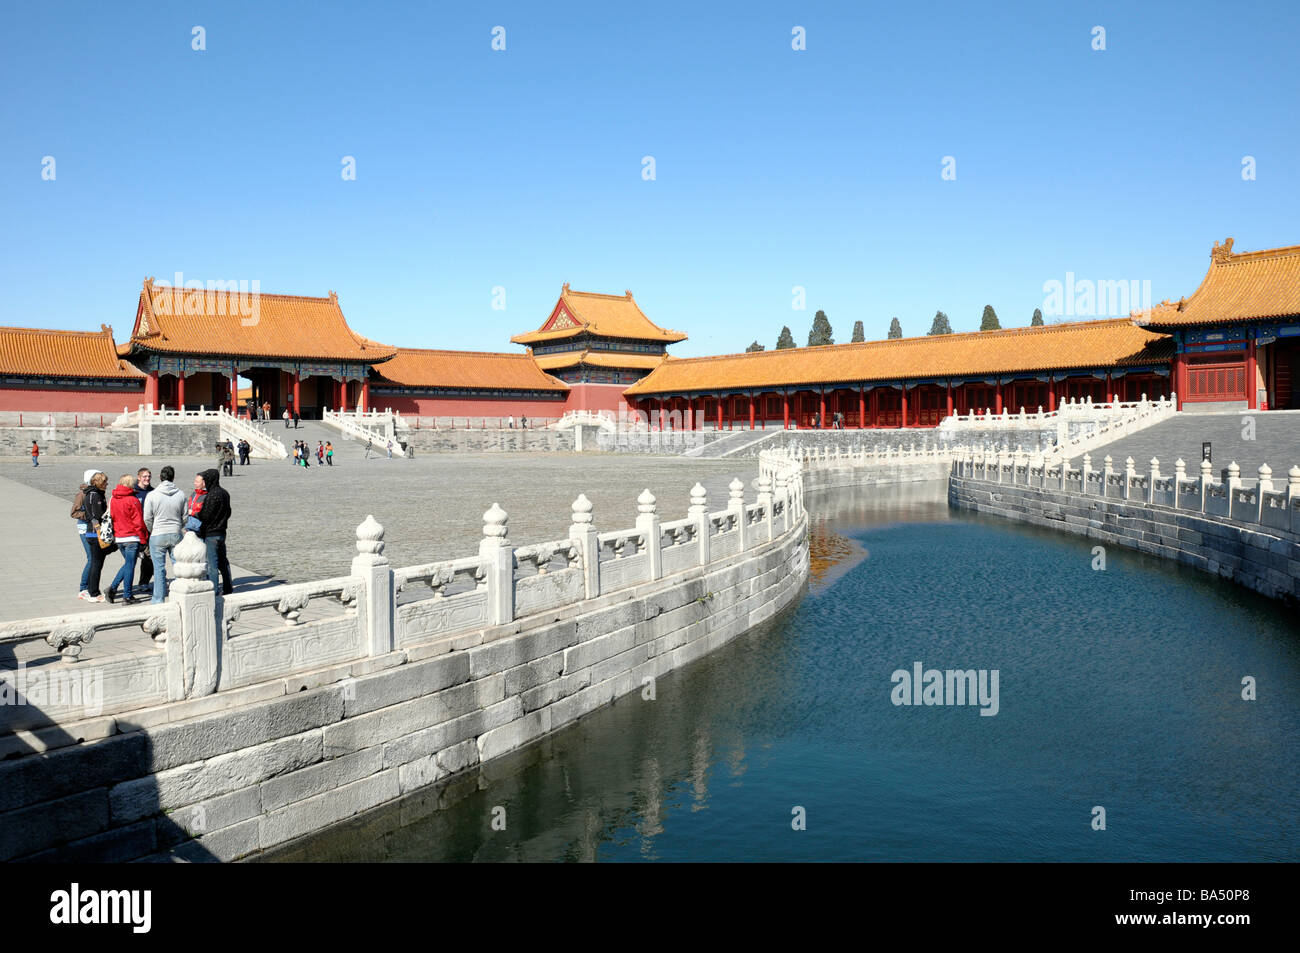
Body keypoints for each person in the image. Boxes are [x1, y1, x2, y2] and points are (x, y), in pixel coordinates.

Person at [144, 465, 187, 604]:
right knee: (178, 567)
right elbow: (185, 516)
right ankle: (179, 596)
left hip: (158, 533)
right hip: (175, 532)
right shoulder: (181, 494)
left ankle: (158, 599)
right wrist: (179, 526)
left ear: (160, 477)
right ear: (173, 477)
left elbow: (147, 518)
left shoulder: (152, 495)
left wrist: (152, 529)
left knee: (159, 569)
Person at [106, 474, 148, 604]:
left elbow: (112, 517)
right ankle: (127, 595)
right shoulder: (132, 500)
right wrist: (143, 539)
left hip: (119, 537)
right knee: (130, 566)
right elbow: (138, 522)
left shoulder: (113, 498)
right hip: (131, 537)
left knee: (128, 564)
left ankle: (112, 588)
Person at [194, 469, 233, 595]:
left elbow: (205, 515)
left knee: (212, 565)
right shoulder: (224, 493)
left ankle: (214, 591)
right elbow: (229, 512)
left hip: (211, 533)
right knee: (223, 562)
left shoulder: (212, 495)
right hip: (222, 531)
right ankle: (228, 588)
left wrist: (195, 514)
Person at [82, 472, 113, 602]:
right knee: (96, 564)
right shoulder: (93, 495)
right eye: (105, 482)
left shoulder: (96, 494)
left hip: (95, 533)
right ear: (99, 482)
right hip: (95, 534)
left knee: (96, 562)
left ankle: (91, 590)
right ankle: (93, 593)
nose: (107, 484)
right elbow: (96, 515)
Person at [72, 469, 97, 600]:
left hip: (93, 529)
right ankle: (83, 588)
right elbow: (73, 512)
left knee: (95, 558)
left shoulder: (96, 492)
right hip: (84, 528)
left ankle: (91, 587)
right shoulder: (82, 494)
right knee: (91, 558)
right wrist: (88, 515)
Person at [133, 467, 155, 592]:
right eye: (144, 476)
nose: (147, 479)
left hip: (149, 530)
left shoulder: (153, 492)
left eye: (149, 476)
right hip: (135, 531)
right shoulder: (134, 491)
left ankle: (144, 582)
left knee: (149, 558)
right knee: (130, 560)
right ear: (139, 477)